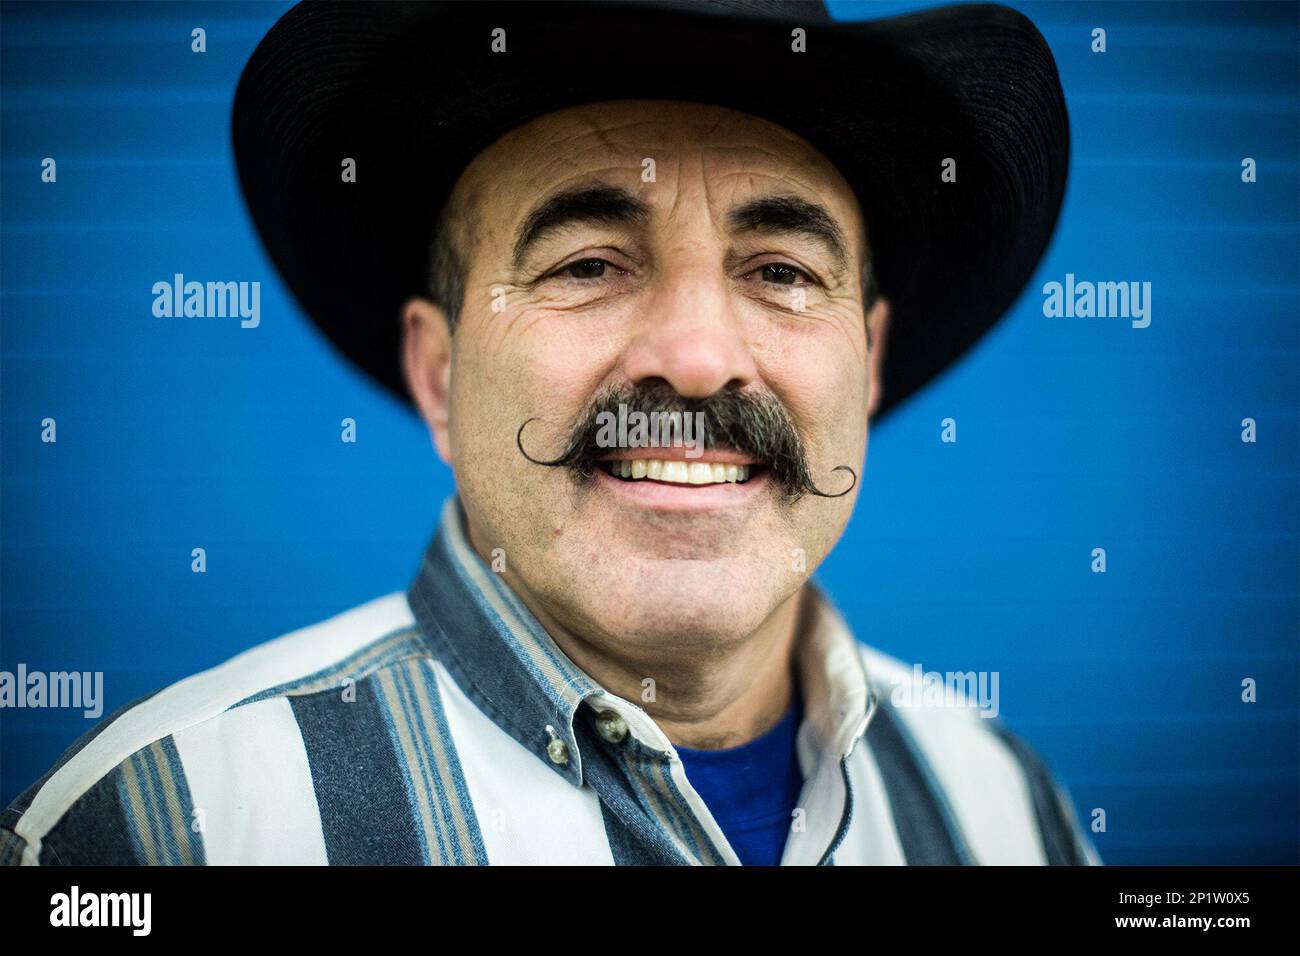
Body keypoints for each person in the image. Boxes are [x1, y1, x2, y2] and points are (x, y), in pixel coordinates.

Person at [0, 0, 1099, 866]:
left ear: (865, 368)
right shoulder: (164, 827)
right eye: (587, 264)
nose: (698, 354)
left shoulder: (1010, 809)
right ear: (437, 376)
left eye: (780, 271)